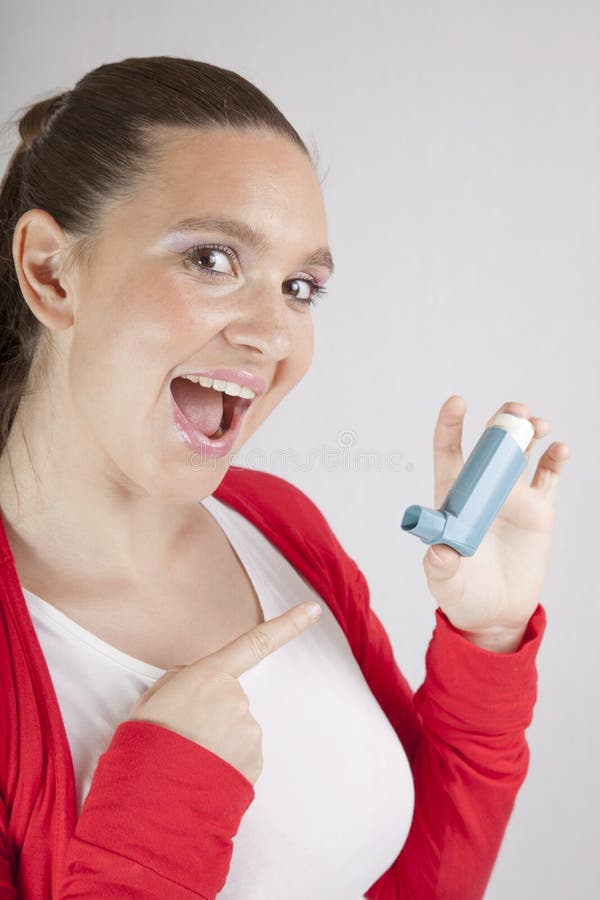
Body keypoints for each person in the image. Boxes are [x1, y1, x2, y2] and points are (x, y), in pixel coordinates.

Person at [0, 56, 569, 900]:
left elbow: (420, 879)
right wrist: (164, 806)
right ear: (52, 271)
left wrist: (486, 645)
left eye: (300, 287)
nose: (274, 335)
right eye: (212, 259)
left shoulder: (276, 523)